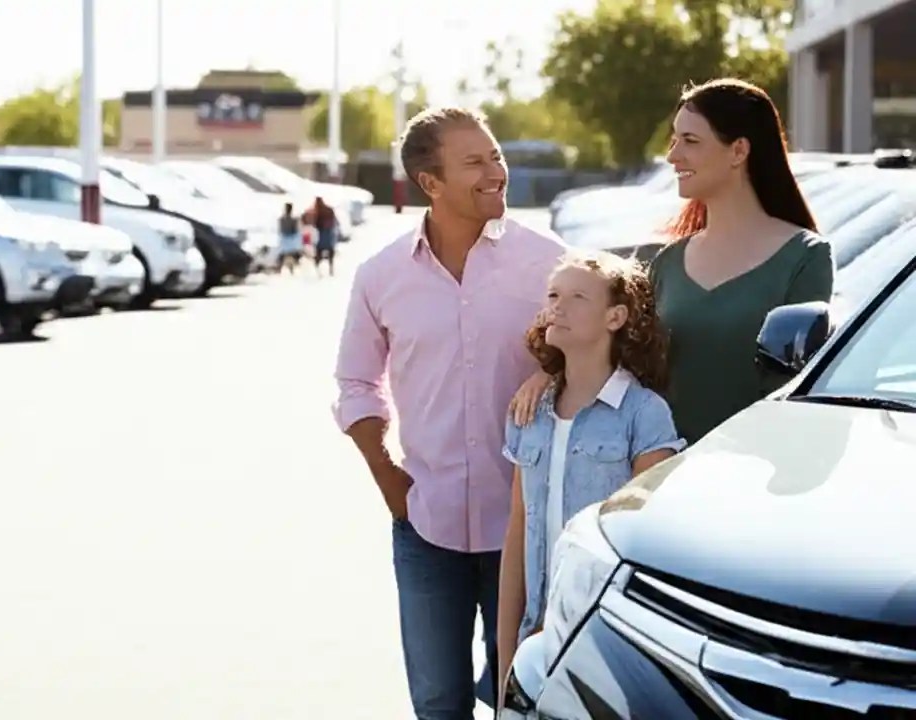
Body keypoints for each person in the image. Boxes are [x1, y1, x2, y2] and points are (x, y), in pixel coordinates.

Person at [332, 106, 565, 719]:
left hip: (525, 522)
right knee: (438, 700)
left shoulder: (550, 263)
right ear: (430, 183)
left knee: (520, 696)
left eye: (495, 156)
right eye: (475, 162)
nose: (496, 171)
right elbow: (355, 383)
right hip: (424, 521)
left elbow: (600, 356)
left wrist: (551, 368)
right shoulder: (380, 276)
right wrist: (391, 483)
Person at [509, 78, 834, 445]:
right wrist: (551, 376)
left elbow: (800, 388)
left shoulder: (806, 257)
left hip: (749, 475)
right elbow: (619, 359)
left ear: (738, 150)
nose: (672, 155)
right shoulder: (669, 262)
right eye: (674, 139)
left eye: (690, 141)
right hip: (660, 474)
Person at [494, 250, 684, 702]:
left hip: (606, 646)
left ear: (615, 317)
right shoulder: (529, 413)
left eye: (577, 296)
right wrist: (506, 665)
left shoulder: (644, 415)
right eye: (553, 294)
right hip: (536, 640)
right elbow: (518, 535)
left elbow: (646, 547)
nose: (557, 305)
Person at [311, 196, 339, 277]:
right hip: (329, 234)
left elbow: (315, 224)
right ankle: (331, 268)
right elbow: (334, 221)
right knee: (330, 250)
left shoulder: (318, 211)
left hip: (322, 235)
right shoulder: (329, 210)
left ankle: (317, 270)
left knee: (318, 251)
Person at [277, 202, 303, 275]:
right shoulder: (294, 220)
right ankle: (295, 263)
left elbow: (280, 230)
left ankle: (279, 268)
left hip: (284, 241)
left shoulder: (281, 219)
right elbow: (296, 231)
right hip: (292, 242)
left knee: (281, 254)